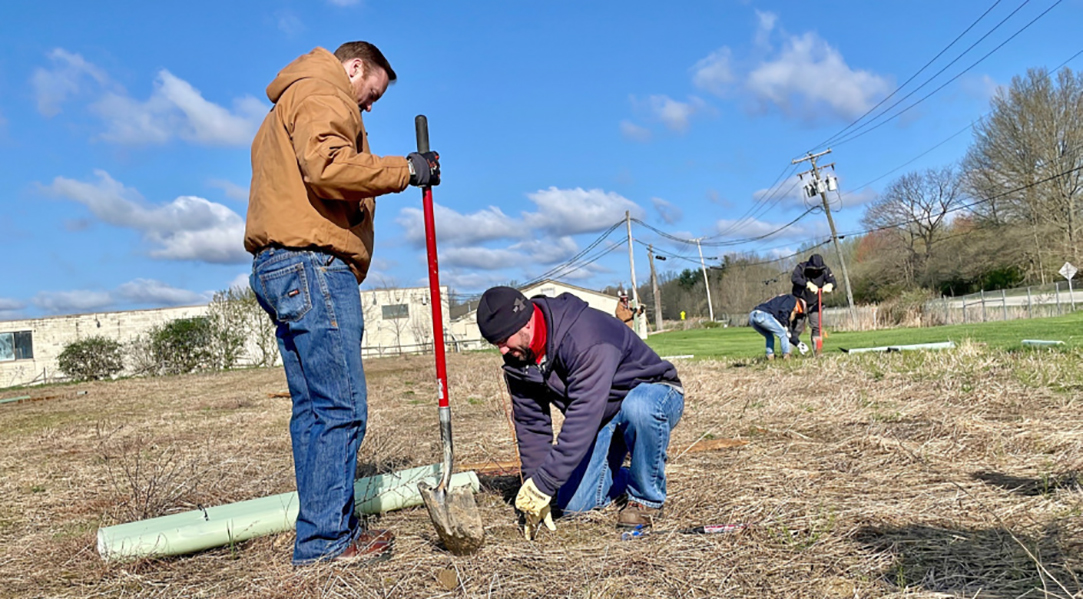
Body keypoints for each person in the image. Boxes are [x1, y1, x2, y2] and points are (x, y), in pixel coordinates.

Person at [243, 42, 440, 565]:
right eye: (370, 94)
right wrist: (407, 169)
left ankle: (320, 535)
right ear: (354, 68)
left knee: (312, 410)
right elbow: (329, 167)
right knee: (341, 407)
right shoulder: (322, 92)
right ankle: (327, 541)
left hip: (279, 266)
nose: (368, 107)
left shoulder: (285, 103)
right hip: (313, 265)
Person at [476, 286, 684, 537]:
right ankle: (632, 474)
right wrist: (537, 489)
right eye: (494, 344)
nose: (502, 351)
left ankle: (646, 498)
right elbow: (531, 425)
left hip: (655, 393)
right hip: (605, 414)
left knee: (638, 407)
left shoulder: (585, 337)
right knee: (575, 506)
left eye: (503, 340)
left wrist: (546, 482)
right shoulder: (519, 360)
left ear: (526, 323)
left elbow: (583, 417)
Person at [790, 253, 837, 351]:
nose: (816, 271)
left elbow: (833, 281)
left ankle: (817, 353)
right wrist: (807, 284)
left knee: (817, 327)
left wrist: (830, 285)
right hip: (800, 301)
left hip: (815, 302)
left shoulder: (825, 270)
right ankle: (788, 353)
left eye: (818, 270)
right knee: (797, 328)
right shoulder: (801, 268)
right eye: (814, 270)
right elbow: (794, 278)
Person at [748, 294, 807, 360]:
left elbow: (788, 331)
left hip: (752, 316)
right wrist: (785, 325)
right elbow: (784, 311)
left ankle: (770, 357)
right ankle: (786, 357)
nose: (796, 312)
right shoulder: (792, 299)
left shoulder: (779, 307)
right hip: (763, 315)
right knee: (783, 334)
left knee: (769, 336)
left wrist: (798, 343)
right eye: (798, 310)